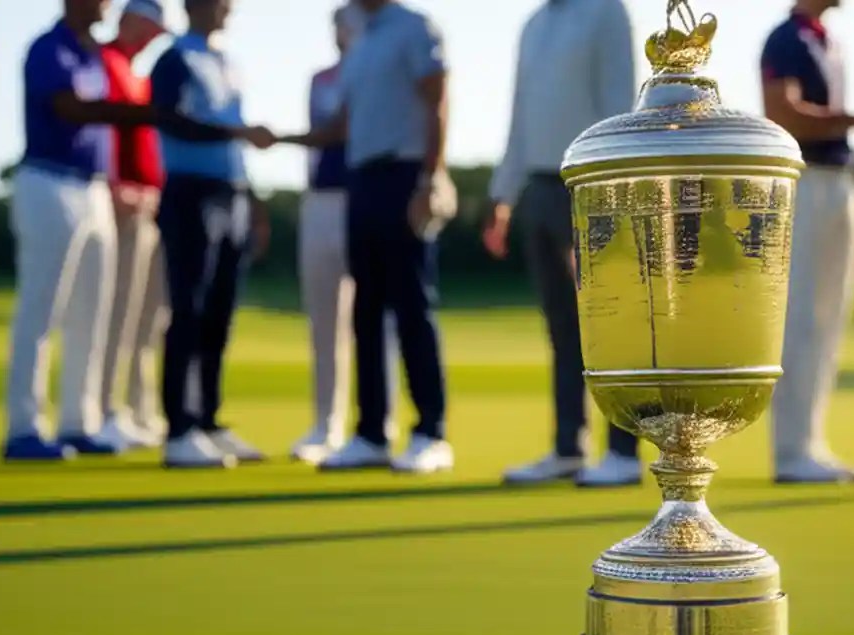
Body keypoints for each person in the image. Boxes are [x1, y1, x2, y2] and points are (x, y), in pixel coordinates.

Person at [3, 0, 266, 463]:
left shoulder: (92, 55)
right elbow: (71, 109)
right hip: (49, 180)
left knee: (94, 314)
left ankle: (78, 422)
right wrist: (155, 114)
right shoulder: (50, 49)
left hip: (95, 188)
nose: (105, 4)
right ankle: (24, 427)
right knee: (43, 309)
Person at [265, 0, 456, 475]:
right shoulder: (362, 40)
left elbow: (437, 98)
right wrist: (283, 140)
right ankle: (371, 432)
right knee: (366, 308)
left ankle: (430, 432)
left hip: (405, 174)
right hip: (361, 180)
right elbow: (343, 126)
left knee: (412, 305)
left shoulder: (413, 27)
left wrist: (431, 178)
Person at [483, 0, 642, 488]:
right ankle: (568, 446)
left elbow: (620, 105)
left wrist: (608, 192)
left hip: (591, 185)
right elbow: (520, 113)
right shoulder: (534, 24)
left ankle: (623, 450)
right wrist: (501, 194)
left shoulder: (606, 11)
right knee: (561, 329)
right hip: (537, 187)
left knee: (609, 328)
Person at [761, 0, 854, 485]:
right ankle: (791, 450)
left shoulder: (826, 40)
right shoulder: (786, 38)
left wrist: (851, 124)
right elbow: (783, 113)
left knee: (832, 316)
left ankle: (810, 441)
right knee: (802, 316)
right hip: (805, 183)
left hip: (841, 181)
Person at [151, 0, 273, 469]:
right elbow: (168, 117)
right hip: (190, 194)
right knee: (189, 309)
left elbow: (233, 141)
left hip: (232, 193)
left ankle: (207, 420)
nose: (228, 8)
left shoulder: (227, 62)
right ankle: (178, 428)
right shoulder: (174, 58)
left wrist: (254, 200)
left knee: (220, 313)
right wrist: (236, 133)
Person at [291, 5, 398, 466]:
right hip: (320, 200)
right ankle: (325, 423)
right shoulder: (319, 79)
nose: (343, 33)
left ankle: (380, 420)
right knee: (324, 322)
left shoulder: (379, 78)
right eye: (338, 26)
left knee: (378, 318)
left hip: (365, 197)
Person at [98, 0, 169, 451]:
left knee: (149, 318)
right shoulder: (104, 63)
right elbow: (97, 131)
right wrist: (113, 182)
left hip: (152, 203)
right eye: (147, 28)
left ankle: (142, 409)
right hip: (120, 202)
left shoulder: (140, 76)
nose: (151, 39)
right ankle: (105, 410)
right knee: (117, 312)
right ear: (128, 21)